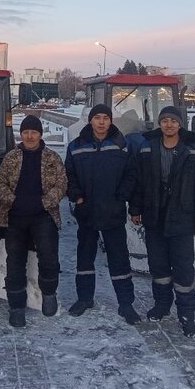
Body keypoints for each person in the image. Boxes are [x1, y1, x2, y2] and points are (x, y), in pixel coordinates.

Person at [129, 106, 195, 338]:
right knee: (159, 267)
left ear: (180, 124)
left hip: (182, 219)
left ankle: (187, 315)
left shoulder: (193, 149)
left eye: (173, 121)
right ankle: (162, 306)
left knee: (184, 269)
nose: (169, 125)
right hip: (155, 217)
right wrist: (135, 209)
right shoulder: (147, 147)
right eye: (164, 120)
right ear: (159, 123)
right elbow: (139, 182)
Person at [64, 103, 141, 324]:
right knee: (85, 258)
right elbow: (68, 174)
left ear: (110, 121)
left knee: (119, 260)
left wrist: (121, 196)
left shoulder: (122, 145)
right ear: (90, 120)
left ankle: (126, 304)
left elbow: (131, 174)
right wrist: (77, 197)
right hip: (86, 212)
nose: (101, 122)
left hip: (113, 211)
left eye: (105, 118)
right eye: (97, 117)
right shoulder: (76, 146)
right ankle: (85, 299)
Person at [0, 115, 67, 327]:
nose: (29, 136)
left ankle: (48, 293)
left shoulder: (52, 158)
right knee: (15, 261)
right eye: (26, 132)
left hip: (43, 215)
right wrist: (14, 201)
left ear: (40, 134)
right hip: (15, 215)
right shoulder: (11, 158)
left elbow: (62, 184)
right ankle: (17, 306)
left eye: (34, 132)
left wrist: (44, 202)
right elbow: (1, 184)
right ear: (21, 134)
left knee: (48, 256)